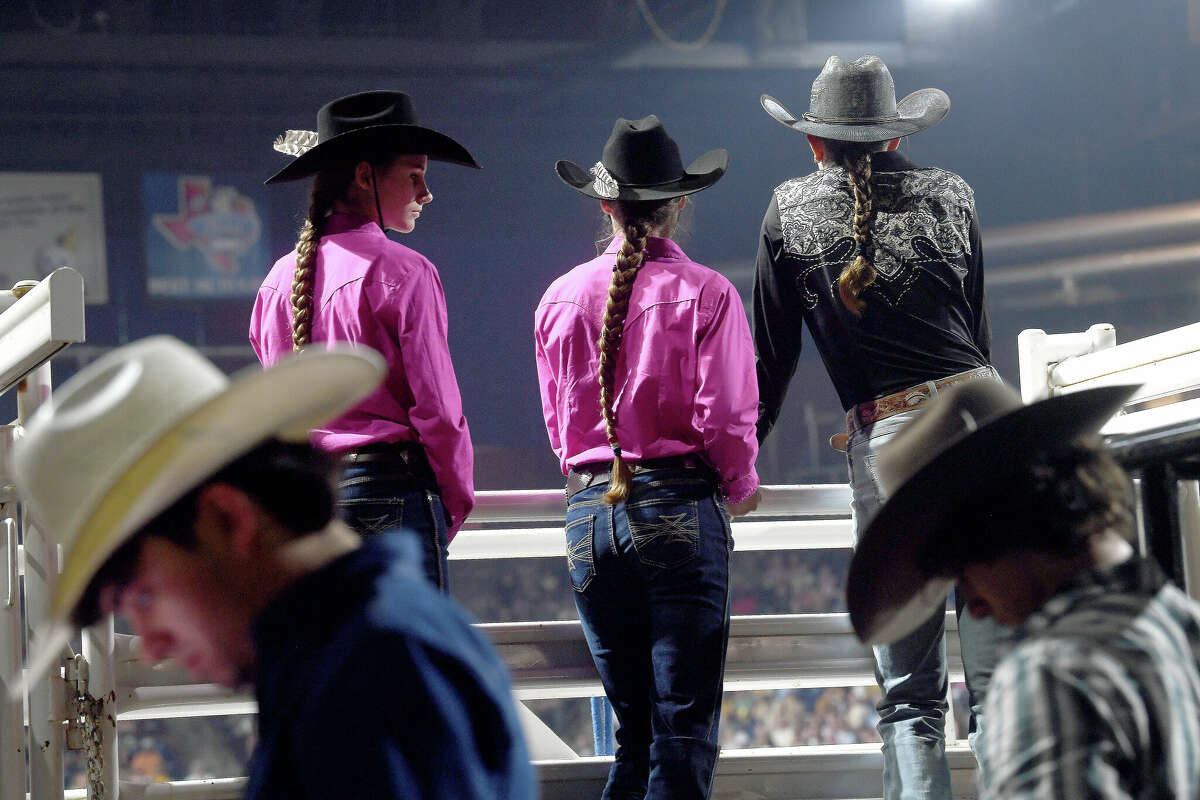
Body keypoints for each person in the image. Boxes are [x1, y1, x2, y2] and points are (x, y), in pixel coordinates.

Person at [10, 336, 536, 799]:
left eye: (143, 597)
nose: (149, 646)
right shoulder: (350, 649)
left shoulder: (365, 677)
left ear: (227, 517)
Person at [752, 54, 1009, 799]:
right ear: (897, 138)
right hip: (984, 420)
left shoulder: (788, 210)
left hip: (894, 441)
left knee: (909, 694)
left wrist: (739, 463)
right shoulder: (954, 193)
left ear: (814, 143)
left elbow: (772, 361)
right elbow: (978, 335)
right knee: (998, 679)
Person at [535, 115, 761, 799]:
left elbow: (558, 425)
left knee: (633, 736)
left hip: (588, 512)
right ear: (679, 203)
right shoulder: (708, 294)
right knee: (682, 733)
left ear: (605, 205)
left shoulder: (559, 297)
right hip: (677, 506)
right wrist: (742, 480)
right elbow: (725, 417)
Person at [846, 378, 1200, 799]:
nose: (974, 606)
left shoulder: (1050, 676)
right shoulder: (1179, 619)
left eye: (963, 572)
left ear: (1000, 534)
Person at [251, 90, 478, 591]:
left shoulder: (276, 282)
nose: (426, 194)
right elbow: (437, 408)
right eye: (415, 176)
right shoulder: (405, 271)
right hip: (392, 490)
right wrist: (454, 499)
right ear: (364, 176)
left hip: (311, 508)